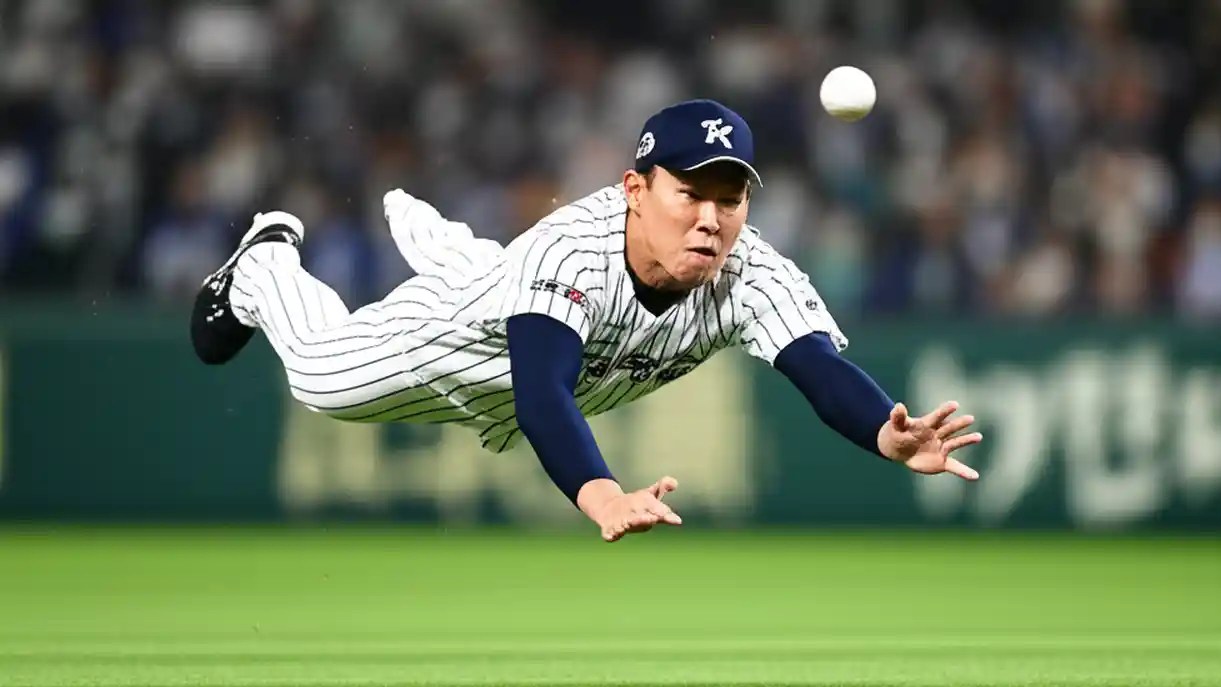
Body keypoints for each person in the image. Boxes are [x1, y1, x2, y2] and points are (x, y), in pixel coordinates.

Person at [190, 99, 982, 541]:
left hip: (529, 309)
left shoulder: (748, 269)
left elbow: (815, 362)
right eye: (690, 192)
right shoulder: (574, 248)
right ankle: (265, 264)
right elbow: (540, 389)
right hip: (458, 344)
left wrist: (883, 429)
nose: (712, 217)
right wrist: (600, 494)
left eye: (730, 198)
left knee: (503, 274)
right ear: (636, 189)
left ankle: (451, 248)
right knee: (322, 379)